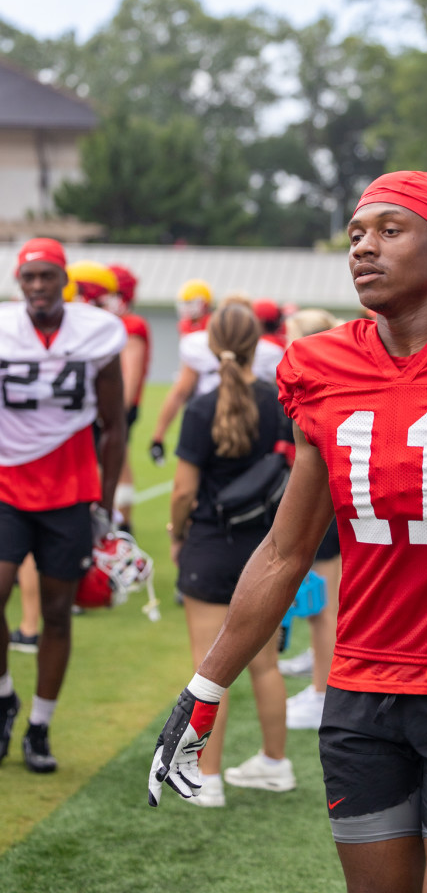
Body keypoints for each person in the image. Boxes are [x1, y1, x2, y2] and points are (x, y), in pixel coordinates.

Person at [149, 171, 427, 893]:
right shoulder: (323, 368)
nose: (364, 248)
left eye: (390, 231)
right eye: (357, 235)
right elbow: (285, 549)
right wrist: (204, 688)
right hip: (359, 694)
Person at [0, 238, 126, 772]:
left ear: (63, 278)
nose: (37, 287)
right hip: (6, 484)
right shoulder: (6, 330)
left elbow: (114, 426)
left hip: (69, 491)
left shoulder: (94, 332)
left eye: (46, 276)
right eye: (28, 278)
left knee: (56, 612)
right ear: (18, 282)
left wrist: (106, 502)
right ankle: (5, 695)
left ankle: (40, 725)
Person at [168, 302, 295, 806]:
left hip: (210, 545)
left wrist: (176, 533)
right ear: (256, 343)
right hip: (265, 547)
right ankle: (275, 763)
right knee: (265, 665)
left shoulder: (201, 408)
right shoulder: (276, 399)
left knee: (208, 669)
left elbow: (182, 491)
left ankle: (208, 778)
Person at [279, 309, 343, 729]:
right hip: (333, 502)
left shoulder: (317, 388)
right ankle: (321, 681)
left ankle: (324, 694)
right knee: (325, 603)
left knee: (325, 605)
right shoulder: (334, 382)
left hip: (327, 504)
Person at [149, 295, 283, 465]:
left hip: (206, 420)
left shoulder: (196, 348)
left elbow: (180, 392)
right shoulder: (272, 354)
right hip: (257, 419)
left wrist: (158, 436)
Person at [107, 265, 151, 531]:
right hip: (112, 403)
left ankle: (123, 525)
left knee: (117, 462)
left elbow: (131, 373)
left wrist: (119, 411)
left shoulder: (131, 324)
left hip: (119, 405)